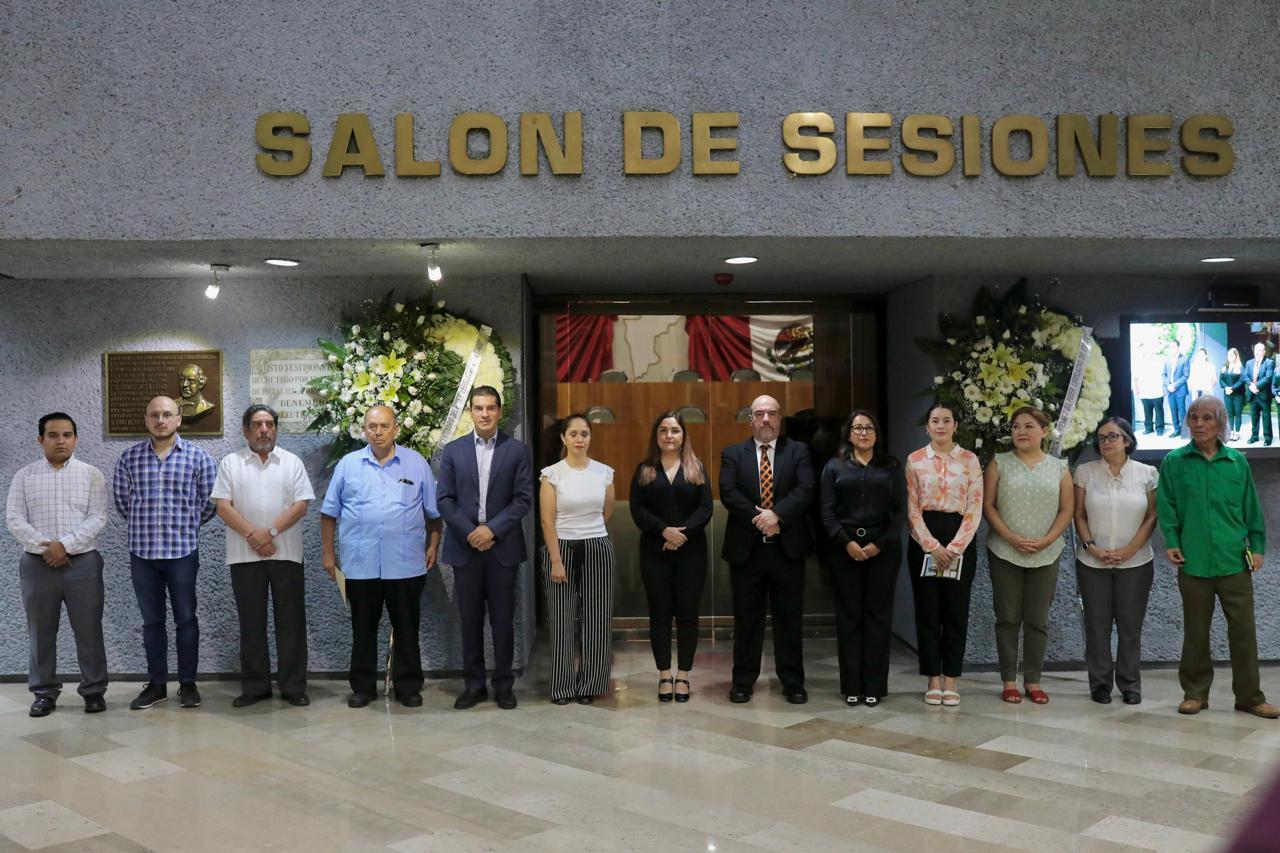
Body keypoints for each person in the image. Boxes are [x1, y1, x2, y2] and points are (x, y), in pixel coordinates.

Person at [1157, 395, 1279, 719]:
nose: (1199, 423)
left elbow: (1252, 508)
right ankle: (1195, 694)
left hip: (1234, 562)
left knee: (1243, 632)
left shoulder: (1237, 462)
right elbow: (1166, 506)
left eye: (1207, 418)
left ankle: (1250, 697)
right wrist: (1171, 540)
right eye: (1194, 417)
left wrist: (1259, 547)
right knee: (1195, 632)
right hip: (1193, 563)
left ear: (1221, 423)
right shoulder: (1174, 462)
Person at [321, 405, 442, 708]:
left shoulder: (416, 464)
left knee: (407, 629)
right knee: (362, 631)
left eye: (384, 426)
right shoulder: (348, 465)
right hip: (361, 566)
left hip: (405, 565)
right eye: (372, 427)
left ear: (396, 429)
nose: (378, 432)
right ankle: (362, 687)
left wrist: (433, 545)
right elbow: (328, 513)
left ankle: (408, 687)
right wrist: (328, 554)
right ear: (364, 430)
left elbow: (434, 514)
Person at [113, 395, 217, 711]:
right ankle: (157, 685)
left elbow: (211, 501)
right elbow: (122, 503)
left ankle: (188, 684)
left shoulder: (199, 458)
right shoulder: (129, 459)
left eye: (167, 414)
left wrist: (186, 525)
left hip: (183, 552)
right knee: (151, 622)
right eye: (155, 415)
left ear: (178, 419)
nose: (161, 420)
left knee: (186, 619)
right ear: (146, 420)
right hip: (143, 554)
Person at [211, 405, 315, 708]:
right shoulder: (231, 463)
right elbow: (223, 506)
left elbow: (300, 506)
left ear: (276, 429)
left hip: (287, 554)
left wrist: (267, 533)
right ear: (246, 431)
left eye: (270, 424)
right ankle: (255, 687)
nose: (264, 429)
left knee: (291, 622)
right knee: (251, 623)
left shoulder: (292, 462)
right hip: (244, 556)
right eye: (257, 424)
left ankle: (293, 686)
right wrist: (253, 537)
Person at [5, 413, 109, 717]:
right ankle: (44, 692)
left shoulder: (92, 475)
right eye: (53, 435)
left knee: (89, 630)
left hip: (83, 564)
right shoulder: (24, 476)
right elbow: (14, 519)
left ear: (76, 438)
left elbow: (98, 518)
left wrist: (65, 546)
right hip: (37, 564)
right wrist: (47, 547)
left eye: (66, 434)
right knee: (41, 631)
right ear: (41, 440)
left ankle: (93, 691)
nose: (60, 440)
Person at [437, 386, 533, 711]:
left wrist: (491, 530)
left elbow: (523, 499)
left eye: (490, 408)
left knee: (503, 621)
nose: (485, 414)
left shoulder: (517, 450)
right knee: (470, 619)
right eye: (478, 408)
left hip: (502, 547)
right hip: (466, 549)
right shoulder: (453, 451)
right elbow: (445, 500)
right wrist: (471, 533)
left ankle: (504, 685)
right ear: (470, 412)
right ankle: (474, 685)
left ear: (499, 412)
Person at [720, 394, 815, 704]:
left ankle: (793, 682)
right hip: (747, 550)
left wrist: (778, 516)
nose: (765, 419)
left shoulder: (798, 451)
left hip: (786, 548)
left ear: (780, 418)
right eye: (759, 414)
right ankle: (743, 682)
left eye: (771, 414)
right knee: (747, 619)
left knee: (789, 619)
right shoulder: (733, 454)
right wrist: (761, 518)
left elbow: (805, 490)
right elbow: (729, 493)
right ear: (750, 419)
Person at [983, 406, 1074, 705]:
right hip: (1004, 550)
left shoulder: (1059, 467)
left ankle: (1033, 680)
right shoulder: (999, 462)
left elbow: (1067, 509)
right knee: (1007, 617)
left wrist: (1048, 539)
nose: (1021, 432)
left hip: (1046, 553)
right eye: (1017, 427)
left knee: (1037, 619)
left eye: (1029, 426)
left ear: (1044, 431)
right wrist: (1010, 536)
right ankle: (1009, 680)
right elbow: (988, 505)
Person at [819, 409, 905, 708]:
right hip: (844, 551)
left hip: (883, 551)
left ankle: (874, 687)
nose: (864, 433)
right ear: (849, 434)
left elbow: (899, 513)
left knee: (878, 618)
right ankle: (851, 686)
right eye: (857, 428)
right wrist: (848, 543)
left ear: (877, 433)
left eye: (869, 427)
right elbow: (827, 513)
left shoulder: (891, 466)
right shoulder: (834, 467)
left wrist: (878, 545)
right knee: (849, 618)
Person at [1073, 417, 1158, 705]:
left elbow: (1152, 517)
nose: (1105, 442)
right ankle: (1099, 684)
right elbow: (1078, 515)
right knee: (1096, 626)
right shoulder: (1085, 472)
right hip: (1092, 562)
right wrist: (1091, 546)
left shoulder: (1147, 473)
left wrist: (1129, 550)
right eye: (1101, 437)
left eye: (1112, 436)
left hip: (1135, 563)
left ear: (1127, 440)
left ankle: (1130, 684)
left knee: (1130, 626)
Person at [629, 411, 712, 703]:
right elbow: (638, 511)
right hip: (655, 552)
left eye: (674, 430)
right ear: (656, 436)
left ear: (683, 435)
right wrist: (664, 531)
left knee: (688, 616)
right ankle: (664, 674)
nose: (669, 435)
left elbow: (706, 509)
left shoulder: (696, 467)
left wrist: (682, 534)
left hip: (692, 553)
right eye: (663, 430)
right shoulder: (644, 469)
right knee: (660, 615)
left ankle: (684, 676)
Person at [905, 402, 982, 707]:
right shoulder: (914, 460)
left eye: (946, 420)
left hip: (959, 539)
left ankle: (951, 678)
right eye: (934, 421)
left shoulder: (970, 460)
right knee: (927, 613)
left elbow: (975, 507)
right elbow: (911, 508)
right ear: (927, 427)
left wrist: (953, 548)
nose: (940, 426)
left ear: (955, 426)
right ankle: (932, 678)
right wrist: (933, 546)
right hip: (924, 540)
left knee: (955, 612)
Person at [539, 413, 616, 705]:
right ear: (563, 438)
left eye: (584, 434)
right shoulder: (552, 474)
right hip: (562, 549)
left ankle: (589, 685)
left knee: (597, 619)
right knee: (561, 619)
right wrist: (556, 560)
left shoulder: (604, 473)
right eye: (573, 434)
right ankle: (562, 687)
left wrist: (591, 534)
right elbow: (547, 521)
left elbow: (607, 512)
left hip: (597, 547)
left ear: (590, 437)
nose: (579, 439)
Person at [1244, 341, 1273, 446]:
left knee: (1266, 417)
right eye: (1256, 349)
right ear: (1254, 351)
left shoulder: (1269, 362)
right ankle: (1254, 436)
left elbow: (1268, 377)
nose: (1258, 352)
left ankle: (1268, 438)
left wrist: (1256, 386)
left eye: (1260, 350)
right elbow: (1245, 376)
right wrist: (1251, 385)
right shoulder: (1249, 363)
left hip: (1264, 395)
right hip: (1252, 395)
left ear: (1264, 352)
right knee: (1254, 417)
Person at [1133, 352, 1166, 436]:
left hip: (1157, 391)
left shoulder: (1159, 362)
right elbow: (1136, 379)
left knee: (1159, 411)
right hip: (1144, 392)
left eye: (1150, 352)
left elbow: (1163, 376)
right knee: (1147, 411)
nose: (1148, 354)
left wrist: (1164, 389)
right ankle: (1149, 428)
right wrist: (1137, 389)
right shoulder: (1140, 363)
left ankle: (1160, 428)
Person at [1163, 340, 1190, 438]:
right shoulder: (1167, 359)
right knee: (1173, 410)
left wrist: (1174, 385)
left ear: (1178, 347)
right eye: (1170, 347)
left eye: (1174, 346)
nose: (1172, 349)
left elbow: (1185, 375)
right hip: (1170, 390)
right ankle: (1176, 430)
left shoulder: (1184, 358)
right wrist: (1168, 385)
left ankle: (1184, 431)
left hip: (1180, 390)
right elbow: (1164, 374)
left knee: (1182, 411)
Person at [1220, 347, 1245, 442]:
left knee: (1237, 413)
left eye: (1232, 355)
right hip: (1227, 393)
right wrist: (1226, 387)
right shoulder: (1224, 366)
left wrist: (1232, 388)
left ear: (1236, 356)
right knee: (1230, 414)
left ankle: (1237, 433)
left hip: (1238, 394)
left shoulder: (1240, 367)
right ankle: (1231, 432)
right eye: (1228, 355)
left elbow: (1241, 380)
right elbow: (1221, 380)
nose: (1229, 357)